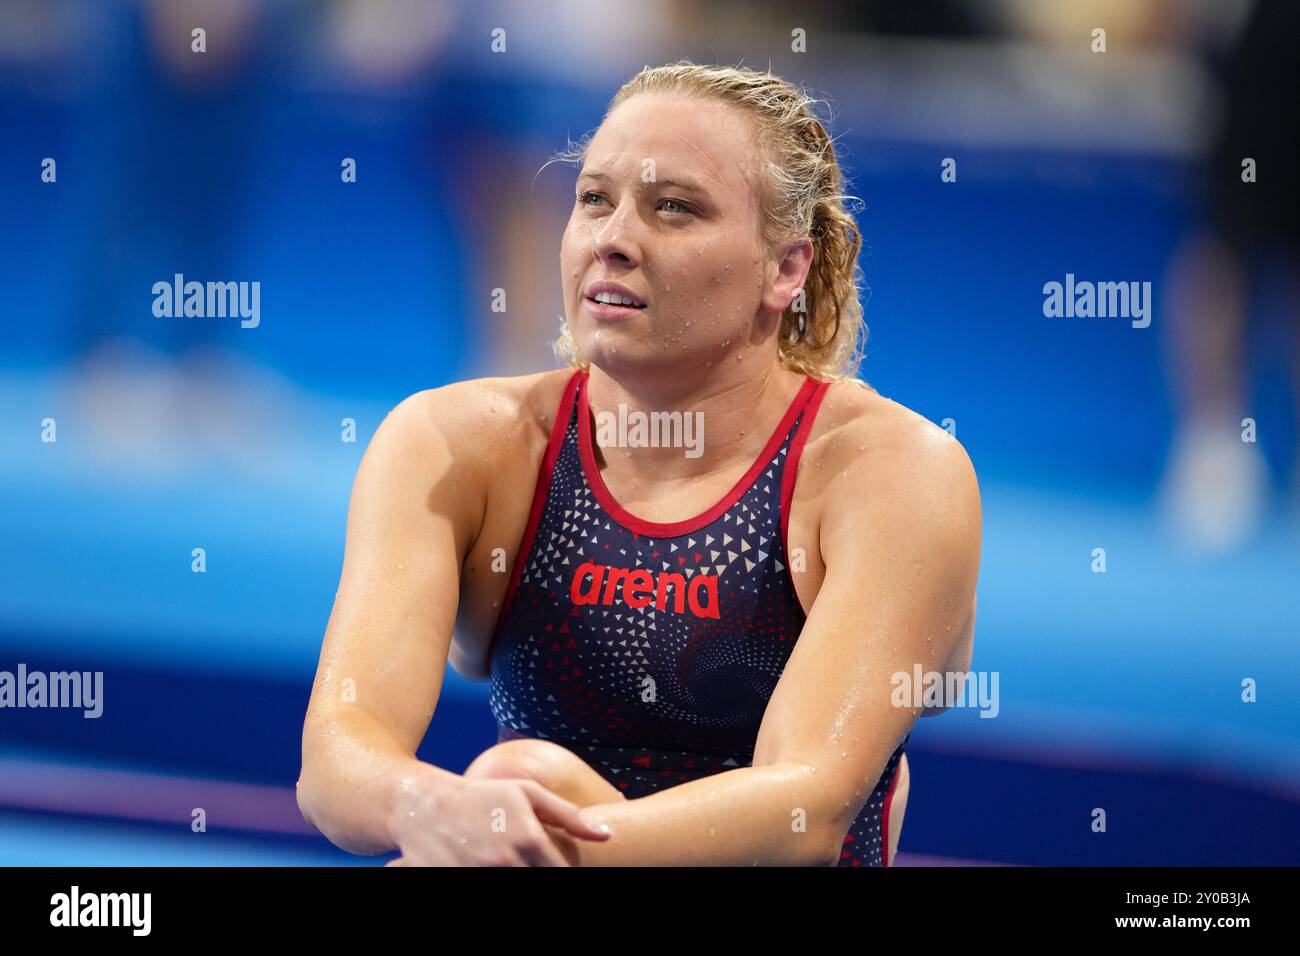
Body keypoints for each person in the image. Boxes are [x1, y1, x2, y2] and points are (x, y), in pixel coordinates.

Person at [296, 61, 981, 866]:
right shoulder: (460, 444)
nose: (612, 240)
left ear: (785, 268)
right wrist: (434, 809)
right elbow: (338, 760)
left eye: (675, 209)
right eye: (593, 199)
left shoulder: (890, 471)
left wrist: (524, 845)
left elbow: (805, 810)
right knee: (512, 783)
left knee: (523, 774)